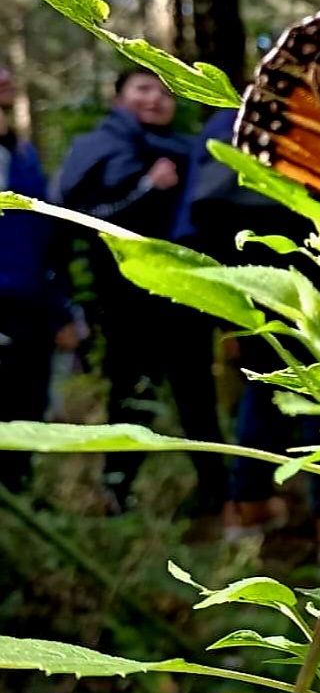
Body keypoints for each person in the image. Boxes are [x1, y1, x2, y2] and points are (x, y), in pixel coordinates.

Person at [178, 109, 320, 556]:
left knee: (265, 385)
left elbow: (194, 212)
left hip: (247, 276)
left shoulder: (226, 123)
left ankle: (249, 507)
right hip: (306, 269)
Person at [58, 70, 226, 513]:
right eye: (144, 89)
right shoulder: (99, 147)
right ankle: (118, 492)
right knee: (133, 395)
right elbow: (80, 218)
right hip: (127, 301)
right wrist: (147, 188)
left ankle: (216, 492)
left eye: (165, 91)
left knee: (196, 398)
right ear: (118, 98)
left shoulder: (187, 149)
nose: (157, 99)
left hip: (185, 296)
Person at [0, 66, 64, 491]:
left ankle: (19, 484)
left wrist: (61, 306)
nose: (5, 77)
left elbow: (43, 236)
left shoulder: (22, 153)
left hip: (33, 300)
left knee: (29, 401)